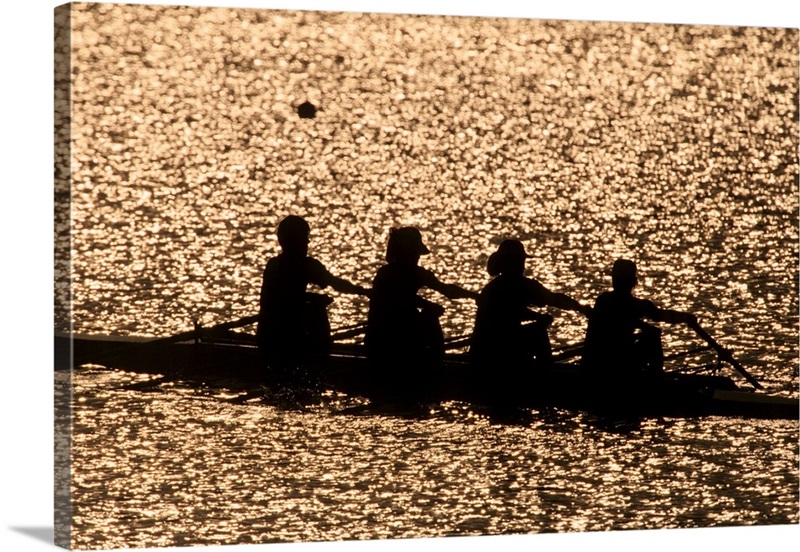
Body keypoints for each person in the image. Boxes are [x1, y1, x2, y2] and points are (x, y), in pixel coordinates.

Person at [469, 239, 591, 403]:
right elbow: (508, 311)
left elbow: (554, 299)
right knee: (538, 332)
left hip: (491, 349)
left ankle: (539, 372)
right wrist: (538, 317)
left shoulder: (507, 286)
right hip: (492, 351)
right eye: (520, 261)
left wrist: (581, 308)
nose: (523, 265)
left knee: (534, 329)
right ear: (510, 263)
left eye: (523, 261)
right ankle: (545, 381)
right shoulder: (504, 288)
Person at [365, 226, 478, 400]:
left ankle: (431, 362)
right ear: (405, 252)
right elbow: (396, 299)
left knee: (427, 312)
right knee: (429, 315)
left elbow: (446, 290)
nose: (417, 257)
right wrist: (429, 305)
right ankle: (435, 365)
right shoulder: (389, 274)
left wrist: (473, 296)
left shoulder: (409, 273)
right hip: (386, 336)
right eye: (414, 252)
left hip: (392, 335)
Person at [256, 215, 370, 372]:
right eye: (305, 237)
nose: (308, 242)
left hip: (272, 331)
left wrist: (362, 291)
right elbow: (284, 300)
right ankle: (321, 361)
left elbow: (332, 284)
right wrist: (365, 292)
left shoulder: (275, 264)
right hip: (282, 333)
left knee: (313, 307)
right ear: (294, 240)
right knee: (316, 311)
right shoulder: (302, 266)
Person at [581, 258, 697, 379]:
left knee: (650, 334)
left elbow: (658, 315)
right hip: (612, 363)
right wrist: (686, 317)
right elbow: (658, 315)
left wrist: (685, 317)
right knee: (653, 336)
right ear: (633, 281)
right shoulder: (624, 303)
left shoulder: (604, 300)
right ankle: (657, 379)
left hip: (596, 362)